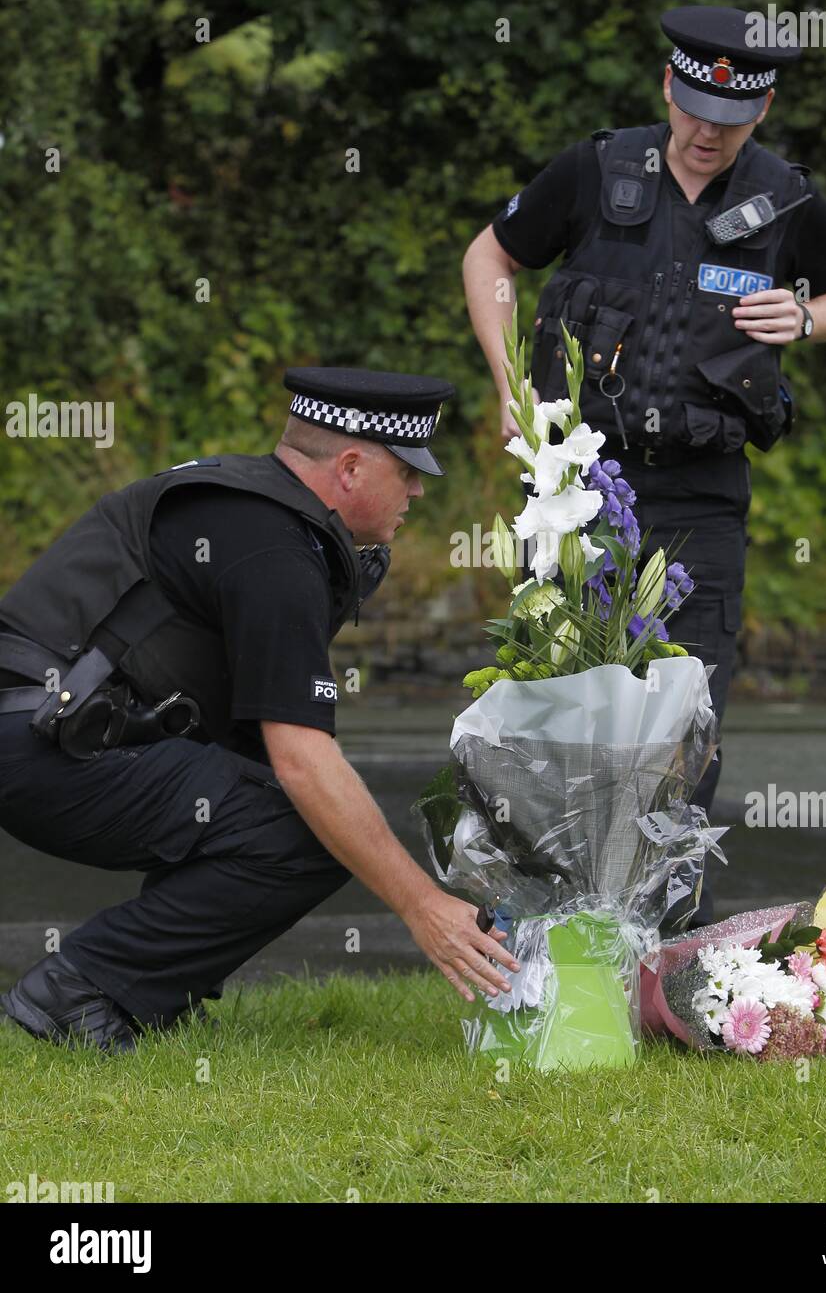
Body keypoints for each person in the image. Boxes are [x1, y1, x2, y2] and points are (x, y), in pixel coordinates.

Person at [463, 5, 826, 918]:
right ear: (667, 88)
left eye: (728, 123)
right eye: (692, 112)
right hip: (579, 490)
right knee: (556, 700)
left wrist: (807, 318)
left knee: (686, 719)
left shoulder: (785, 198)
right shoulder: (594, 168)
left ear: (760, 112)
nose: (705, 134)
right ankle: (527, 932)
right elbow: (491, 253)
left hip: (702, 495)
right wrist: (507, 388)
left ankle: (652, 937)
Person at [0, 367, 519, 1053]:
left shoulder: (260, 514)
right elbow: (303, 761)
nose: (420, 490)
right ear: (353, 467)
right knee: (306, 831)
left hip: (51, 732)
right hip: (40, 740)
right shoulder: (274, 547)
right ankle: (79, 990)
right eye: (408, 471)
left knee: (257, 797)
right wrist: (422, 908)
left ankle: (142, 996)